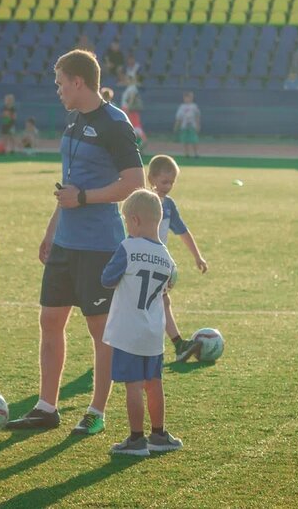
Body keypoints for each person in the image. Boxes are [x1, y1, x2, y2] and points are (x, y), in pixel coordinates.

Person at [7, 49, 144, 436]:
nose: (58, 90)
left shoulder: (116, 124)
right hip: (66, 242)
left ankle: (96, 411)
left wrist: (84, 198)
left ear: (78, 82)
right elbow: (69, 183)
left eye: (60, 82)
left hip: (99, 244)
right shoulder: (73, 120)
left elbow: (136, 184)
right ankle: (46, 407)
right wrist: (53, 229)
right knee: (49, 320)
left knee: (99, 329)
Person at [100, 189, 183, 456]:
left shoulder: (128, 247)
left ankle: (136, 440)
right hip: (153, 332)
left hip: (128, 331)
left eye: (126, 222)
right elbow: (169, 284)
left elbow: (107, 279)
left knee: (133, 386)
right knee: (153, 382)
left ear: (134, 220)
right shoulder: (167, 257)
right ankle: (158, 434)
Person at [145, 155, 209, 362]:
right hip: (141, 262)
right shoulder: (142, 201)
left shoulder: (169, 205)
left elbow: (183, 232)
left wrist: (197, 256)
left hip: (157, 264)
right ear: (151, 178)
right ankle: (176, 344)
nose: (169, 186)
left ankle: (177, 344)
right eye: (164, 182)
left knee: (161, 301)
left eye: (172, 182)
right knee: (155, 303)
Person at [174, 91, 201, 158]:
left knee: (194, 140)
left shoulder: (194, 106)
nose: (188, 99)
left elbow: (197, 116)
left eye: (189, 97)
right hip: (184, 126)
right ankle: (186, 153)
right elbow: (179, 118)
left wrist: (198, 125)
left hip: (192, 126)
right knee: (185, 141)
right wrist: (176, 126)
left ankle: (196, 153)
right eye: (186, 98)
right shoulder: (182, 107)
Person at [121, 76, 145, 145]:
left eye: (127, 79)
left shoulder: (132, 88)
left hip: (128, 108)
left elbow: (132, 98)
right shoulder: (130, 88)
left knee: (133, 125)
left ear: (130, 80)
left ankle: (142, 140)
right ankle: (140, 140)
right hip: (126, 108)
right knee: (133, 126)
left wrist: (128, 108)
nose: (126, 81)